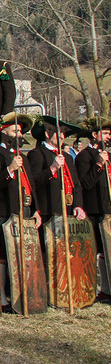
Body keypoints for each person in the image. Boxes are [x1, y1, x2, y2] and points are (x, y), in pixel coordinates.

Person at [0, 113, 41, 313]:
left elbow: (31, 185)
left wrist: (36, 209)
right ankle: (1, 295)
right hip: (7, 210)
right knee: (3, 254)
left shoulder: (22, 157)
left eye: (20, 131)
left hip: (24, 210)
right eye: (15, 130)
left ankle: (24, 292)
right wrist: (9, 170)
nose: (19, 134)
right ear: (4, 132)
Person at [25, 116, 86, 225]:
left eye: (63, 133)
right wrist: (52, 169)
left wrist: (78, 205)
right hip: (49, 212)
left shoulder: (67, 157)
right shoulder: (37, 154)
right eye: (59, 133)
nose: (62, 137)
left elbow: (76, 184)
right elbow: (34, 182)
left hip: (68, 211)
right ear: (47, 134)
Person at [76, 117, 111, 301]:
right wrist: (98, 165)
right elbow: (85, 184)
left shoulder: (108, 155)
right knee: (98, 250)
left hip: (108, 208)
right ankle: (99, 288)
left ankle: (108, 287)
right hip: (94, 210)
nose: (108, 137)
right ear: (95, 135)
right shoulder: (84, 156)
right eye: (105, 133)